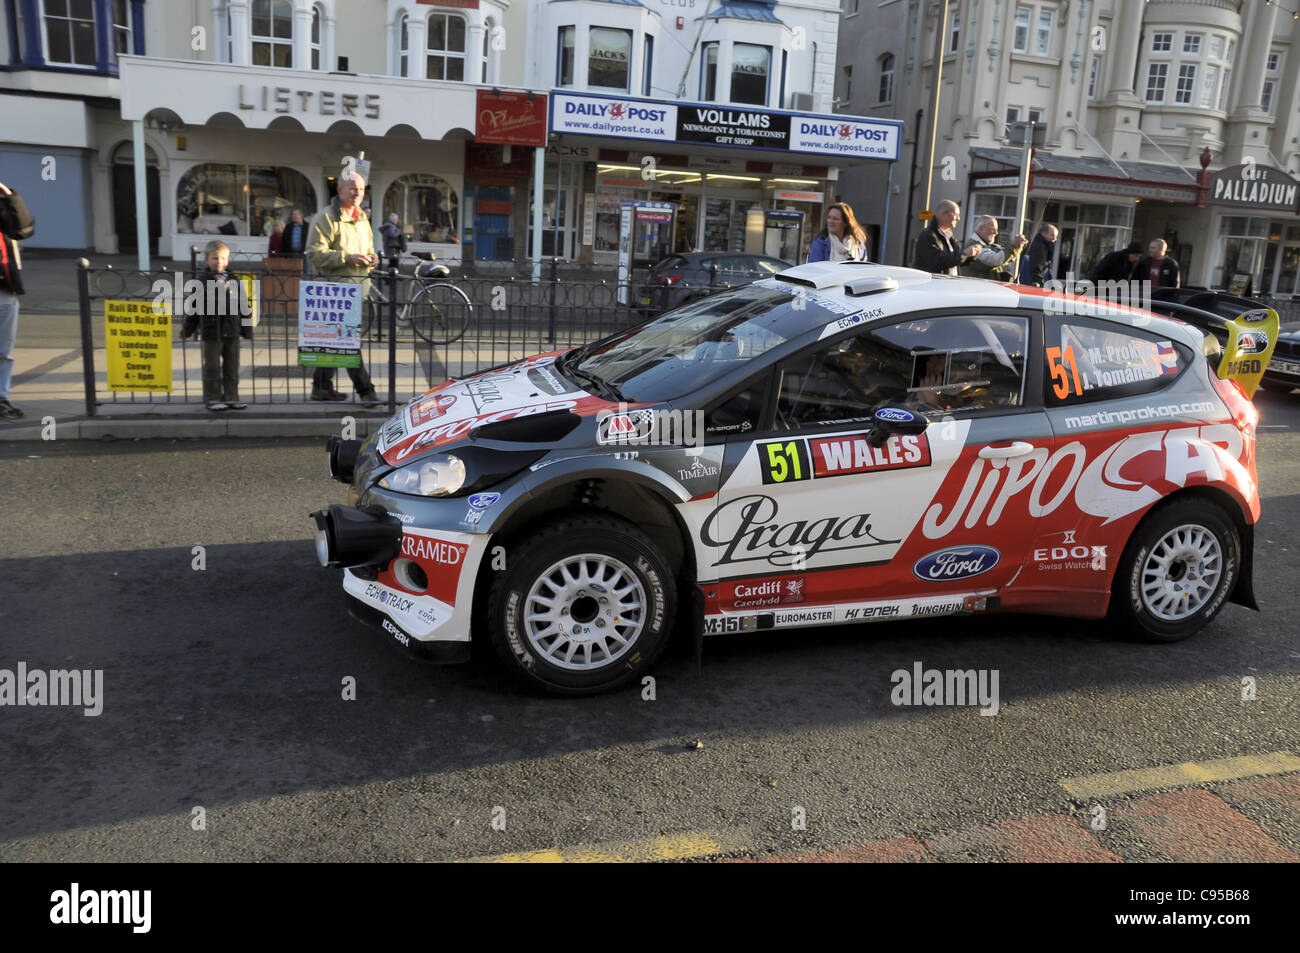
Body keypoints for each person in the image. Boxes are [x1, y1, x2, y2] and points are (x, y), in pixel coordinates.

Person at [305, 168, 382, 406]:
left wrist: (372, 257)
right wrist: (345, 258)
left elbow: (368, 247)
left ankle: (321, 387)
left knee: (333, 341)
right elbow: (314, 253)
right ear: (339, 190)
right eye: (352, 188)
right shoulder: (326, 217)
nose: (357, 192)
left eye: (360, 188)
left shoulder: (362, 218)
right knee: (349, 343)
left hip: (359, 288)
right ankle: (366, 391)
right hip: (336, 293)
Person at [181, 240, 252, 412]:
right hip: (212, 332)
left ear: (227, 260)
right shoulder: (201, 281)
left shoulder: (235, 280)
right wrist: (187, 329)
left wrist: (247, 330)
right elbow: (193, 308)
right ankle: (212, 397)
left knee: (232, 367)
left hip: (232, 331)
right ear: (206, 260)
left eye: (222, 258)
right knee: (212, 367)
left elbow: (245, 306)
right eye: (214, 258)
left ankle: (231, 397)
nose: (219, 262)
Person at [0, 180, 34, 420]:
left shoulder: (3, 205)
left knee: (3, 351)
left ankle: (1, 398)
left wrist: (9, 196)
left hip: (4, 289)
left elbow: (23, 229)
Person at [912, 199, 983, 276]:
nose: (958, 219)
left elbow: (955, 261)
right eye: (956, 215)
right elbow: (937, 261)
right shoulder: (928, 235)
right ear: (944, 215)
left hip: (946, 284)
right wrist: (965, 254)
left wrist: (971, 255)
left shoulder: (949, 236)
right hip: (932, 285)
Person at [959, 215, 1026, 281]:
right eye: (993, 229)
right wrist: (1014, 246)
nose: (996, 233)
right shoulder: (973, 246)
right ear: (981, 229)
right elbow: (996, 260)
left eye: (996, 230)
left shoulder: (987, 245)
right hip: (977, 290)